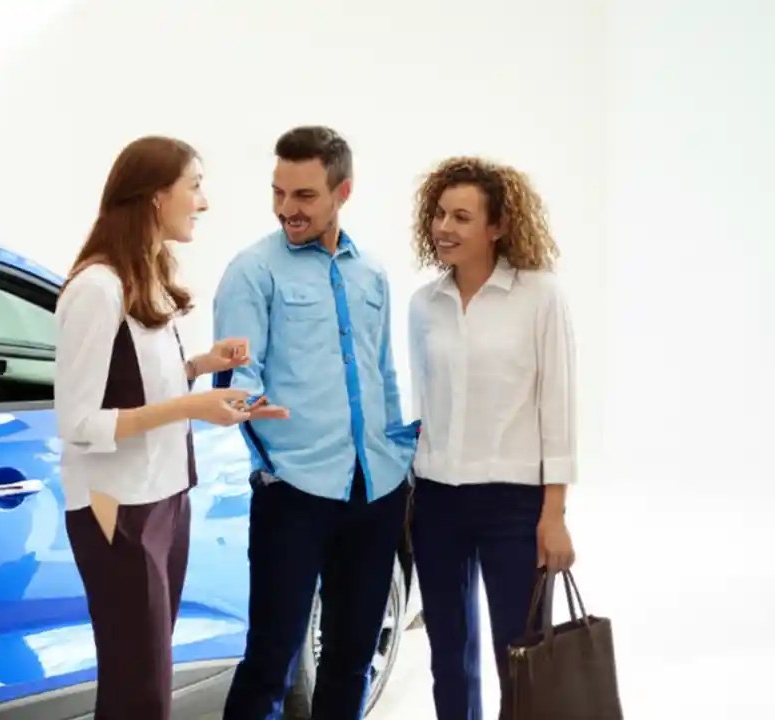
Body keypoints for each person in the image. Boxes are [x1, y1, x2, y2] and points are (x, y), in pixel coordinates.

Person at [54, 135, 289, 720]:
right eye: (195, 186)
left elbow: (137, 387)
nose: (203, 202)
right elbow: (79, 422)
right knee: (141, 690)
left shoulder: (146, 277)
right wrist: (190, 409)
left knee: (146, 680)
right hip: (116, 507)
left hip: (163, 498)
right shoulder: (95, 289)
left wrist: (203, 368)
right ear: (157, 197)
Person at [212, 125, 420, 720]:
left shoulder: (371, 274)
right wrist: (246, 414)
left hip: (374, 492)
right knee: (270, 664)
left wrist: (397, 454)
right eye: (278, 192)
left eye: (303, 195)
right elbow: (236, 379)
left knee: (352, 659)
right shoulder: (252, 272)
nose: (286, 209)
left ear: (342, 192)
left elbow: (383, 376)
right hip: (294, 494)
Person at [406, 156, 578, 720]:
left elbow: (558, 406)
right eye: (439, 214)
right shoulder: (423, 305)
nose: (444, 228)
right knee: (448, 656)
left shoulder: (540, 297)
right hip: (435, 499)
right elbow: (425, 404)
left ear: (498, 226)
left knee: (520, 653)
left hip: (513, 503)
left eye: (461, 216)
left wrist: (553, 513)